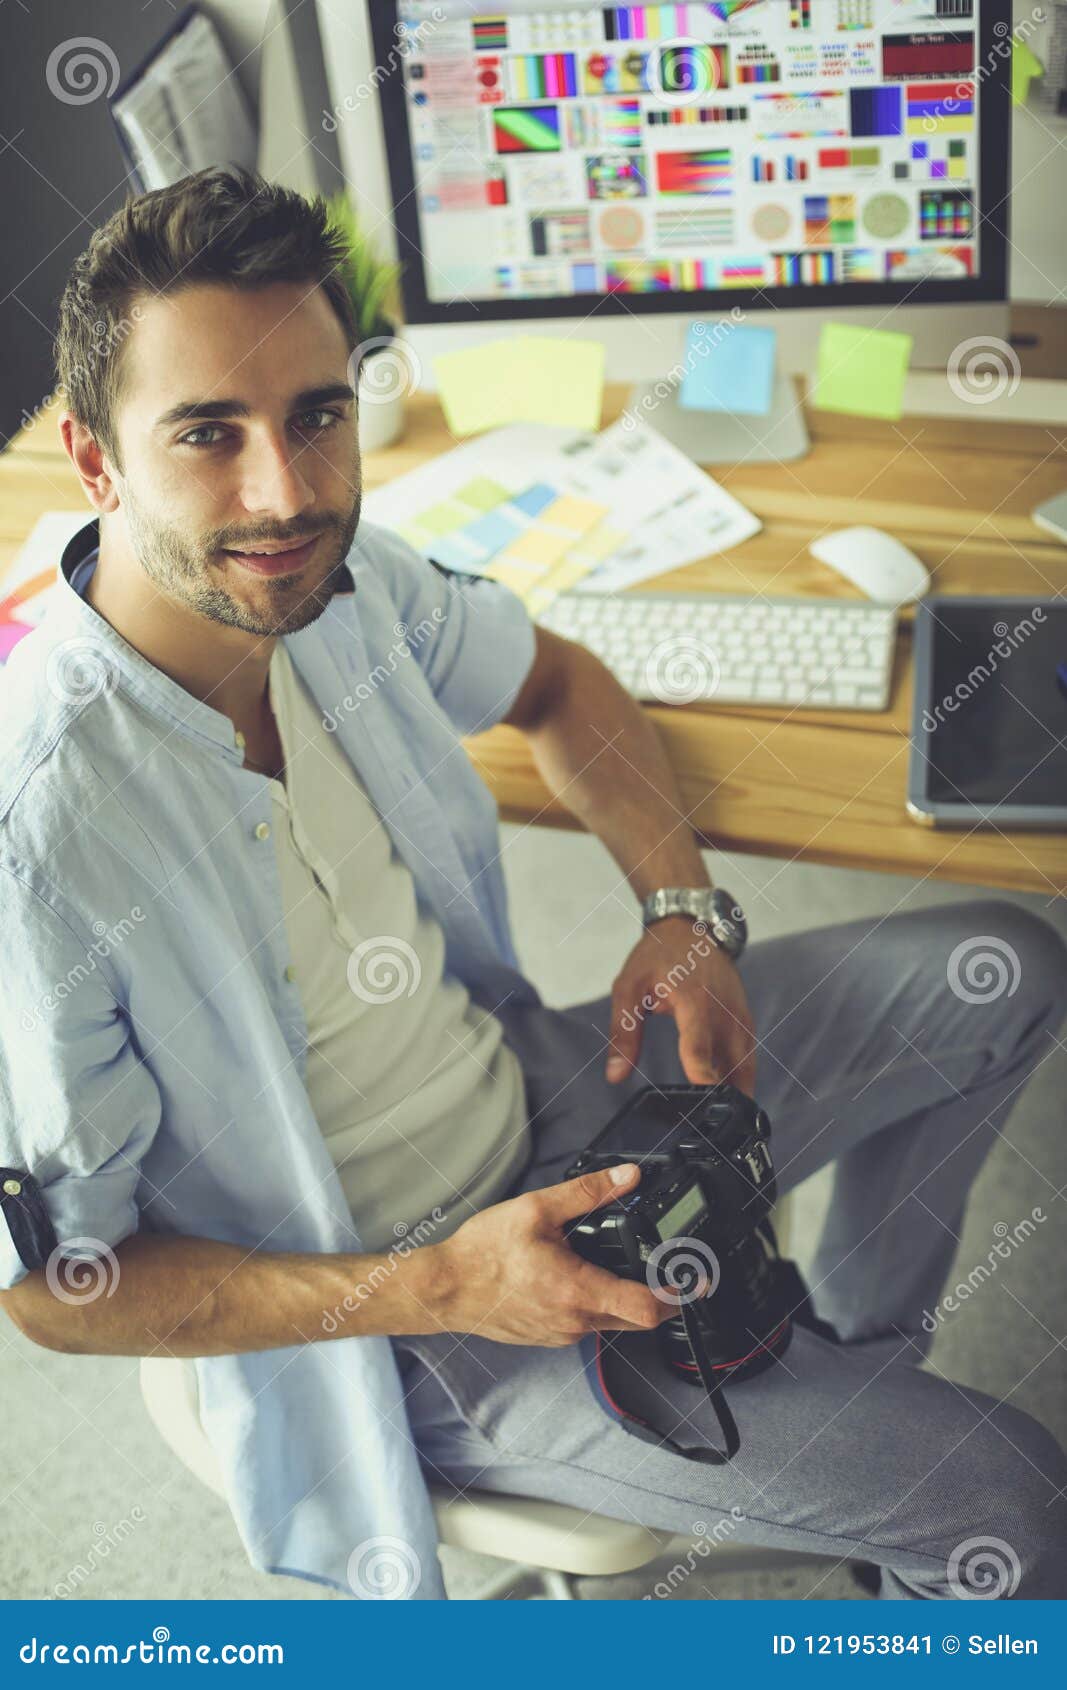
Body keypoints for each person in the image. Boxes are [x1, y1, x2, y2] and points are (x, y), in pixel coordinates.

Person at [1, 168, 1064, 1603]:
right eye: (209, 434)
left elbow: (559, 682)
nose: (287, 488)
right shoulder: (40, 828)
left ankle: (854, 1380)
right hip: (406, 1312)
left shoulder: (327, 573)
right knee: (1012, 1502)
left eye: (318, 412)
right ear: (95, 460)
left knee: (1004, 965)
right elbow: (60, 1293)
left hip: (544, 1092)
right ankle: (882, 1483)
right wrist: (443, 1282)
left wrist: (677, 913)